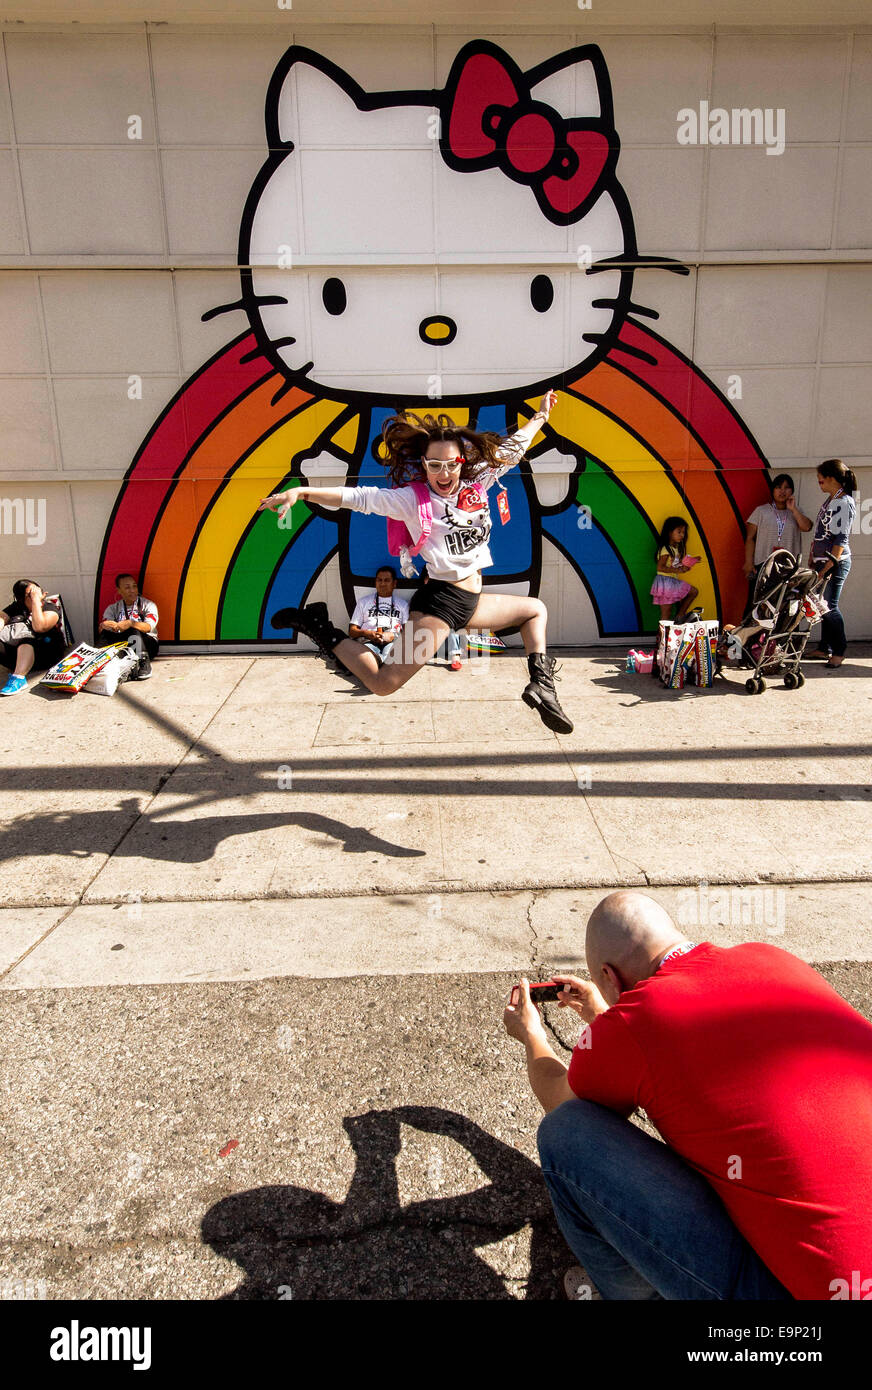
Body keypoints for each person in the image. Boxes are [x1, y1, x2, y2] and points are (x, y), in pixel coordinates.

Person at [503, 889, 872, 1301]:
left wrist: (531, 1033)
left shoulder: (636, 1022)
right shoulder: (771, 957)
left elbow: (561, 1096)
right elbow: (686, 1036)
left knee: (566, 1134)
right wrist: (605, 1015)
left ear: (610, 976)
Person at [257, 391, 573, 734]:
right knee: (383, 683)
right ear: (424, 465)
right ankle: (322, 628)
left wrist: (541, 416)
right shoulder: (411, 500)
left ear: (461, 462)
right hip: (440, 605)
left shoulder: (477, 481)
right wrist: (302, 493)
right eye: (434, 464)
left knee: (534, 610)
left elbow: (513, 448)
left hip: (470, 602)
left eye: (451, 463)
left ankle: (542, 687)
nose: (444, 472)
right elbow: (360, 498)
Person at [805, 459, 857, 669]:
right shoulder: (831, 500)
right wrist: (813, 557)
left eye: (821, 479)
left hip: (834, 563)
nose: (819, 482)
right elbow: (821, 532)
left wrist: (827, 566)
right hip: (822, 562)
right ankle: (824, 646)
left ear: (832, 478)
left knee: (829, 606)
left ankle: (839, 650)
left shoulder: (843, 503)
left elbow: (840, 540)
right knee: (821, 606)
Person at [742, 473, 812, 604]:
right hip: (764, 565)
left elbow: (807, 527)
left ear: (792, 491)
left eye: (787, 487)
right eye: (778, 487)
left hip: (789, 568)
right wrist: (748, 562)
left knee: (786, 607)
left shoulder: (796, 512)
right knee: (757, 605)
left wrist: (793, 509)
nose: (782, 491)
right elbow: (750, 538)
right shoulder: (761, 511)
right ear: (773, 490)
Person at [0, 579, 65, 696]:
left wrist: (35, 601)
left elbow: (40, 627)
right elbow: (2, 617)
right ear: (21, 599)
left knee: (26, 637)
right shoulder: (17, 607)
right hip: (17, 657)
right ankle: (19, 668)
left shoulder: (50, 608)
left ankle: (18, 679)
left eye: (37, 591)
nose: (36, 594)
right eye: (31, 593)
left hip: (46, 655)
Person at [96, 572, 159, 680]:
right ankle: (97, 661)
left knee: (133, 630)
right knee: (105, 633)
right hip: (125, 645)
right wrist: (105, 625)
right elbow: (102, 629)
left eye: (134, 586)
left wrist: (131, 623)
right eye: (127, 588)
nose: (133, 590)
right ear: (119, 590)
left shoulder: (148, 605)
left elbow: (149, 627)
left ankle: (143, 663)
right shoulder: (113, 608)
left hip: (147, 644)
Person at [347, 566, 409, 665]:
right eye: (379, 580)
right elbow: (352, 631)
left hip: (392, 642)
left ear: (394, 583)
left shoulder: (403, 604)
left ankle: (378, 663)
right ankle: (378, 663)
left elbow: (409, 632)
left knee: (391, 655)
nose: (382, 583)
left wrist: (394, 635)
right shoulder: (363, 602)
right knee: (366, 655)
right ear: (375, 582)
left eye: (387, 580)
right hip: (367, 641)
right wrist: (367, 633)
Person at [650, 517, 700, 621]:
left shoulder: (675, 549)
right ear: (669, 532)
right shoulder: (665, 549)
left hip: (671, 582)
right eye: (679, 532)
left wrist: (686, 565)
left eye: (683, 532)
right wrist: (678, 570)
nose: (682, 535)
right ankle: (664, 636)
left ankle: (680, 615)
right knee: (666, 615)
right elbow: (660, 567)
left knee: (693, 592)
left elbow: (673, 565)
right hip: (665, 583)